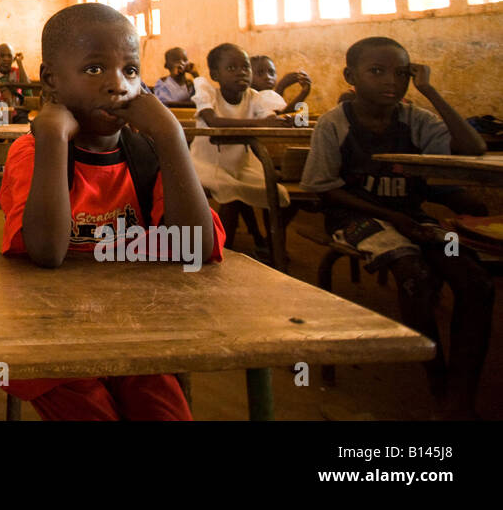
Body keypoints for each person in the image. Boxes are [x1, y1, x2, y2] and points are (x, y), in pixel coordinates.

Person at [0, 3, 222, 420]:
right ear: (51, 81)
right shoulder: (33, 152)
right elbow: (47, 253)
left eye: (131, 70)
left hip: (139, 331)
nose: (118, 85)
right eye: (95, 69)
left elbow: (195, 249)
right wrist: (51, 138)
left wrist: (171, 134)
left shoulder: (150, 152)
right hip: (50, 339)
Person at [300, 36, 492, 419]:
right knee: (414, 274)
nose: (392, 82)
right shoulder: (334, 123)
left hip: (415, 220)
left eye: (402, 74)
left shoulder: (416, 119)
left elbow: (473, 149)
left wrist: (430, 90)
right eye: (377, 72)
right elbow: (324, 189)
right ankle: (436, 376)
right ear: (350, 76)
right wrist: (393, 218)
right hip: (356, 221)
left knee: (475, 280)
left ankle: (462, 390)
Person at [189, 43, 296, 255]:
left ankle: (273, 250)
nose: (241, 72)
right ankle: (222, 252)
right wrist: (261, 124)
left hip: (242, 166)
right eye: (232, 68)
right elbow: (214, 122)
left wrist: (280, 117)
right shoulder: (209, 94)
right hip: (207, 164)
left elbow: (271, 118)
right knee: (231, 194)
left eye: (245, 67)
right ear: (215, 74)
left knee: (277, 194)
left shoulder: (255, 97)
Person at [0, 43, 29, 108]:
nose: (6, 59)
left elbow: (27, 87)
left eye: (9, 56)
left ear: (14, 59)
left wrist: (19, 63)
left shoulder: (18, 72)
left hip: (19, 110)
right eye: (2, 56)